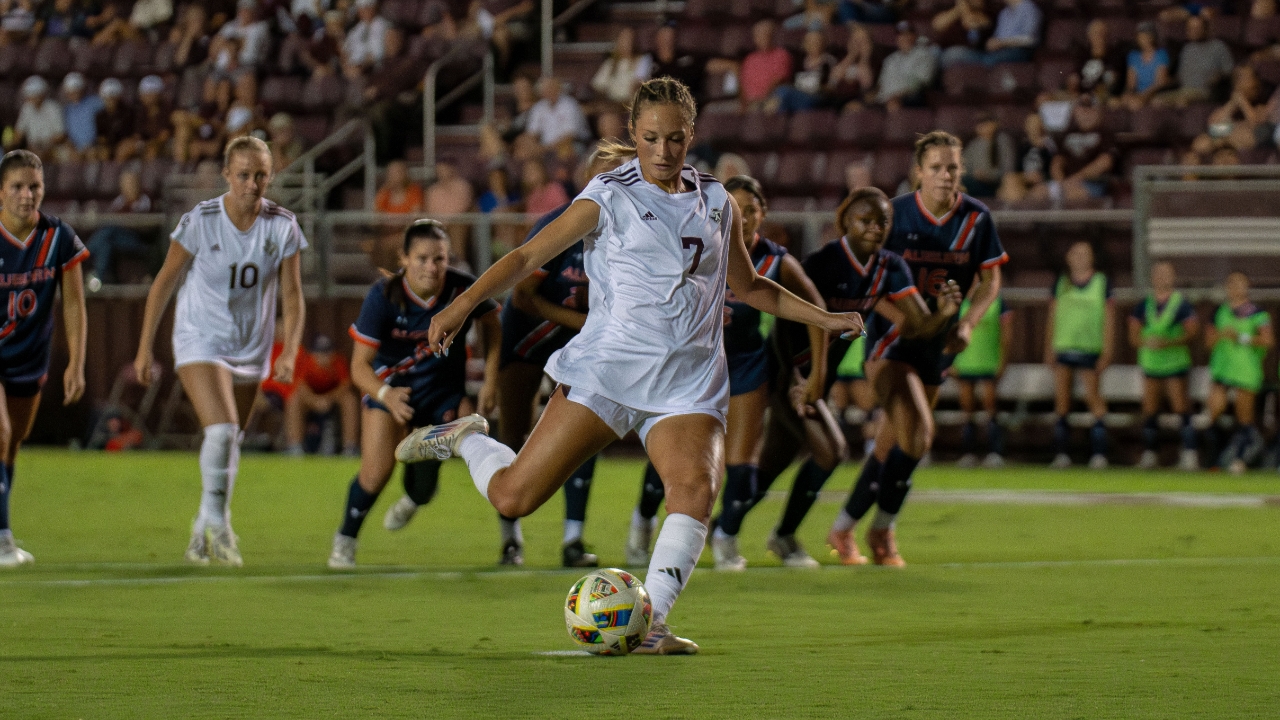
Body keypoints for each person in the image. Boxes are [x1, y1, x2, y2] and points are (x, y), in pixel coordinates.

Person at [394, 78, 862, 654]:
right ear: (633, 136)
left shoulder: (718, 202)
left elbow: (751, 286)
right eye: (649, 138)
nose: (663, 151)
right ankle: (467, 439)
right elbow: (526, 255)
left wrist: (825, 318)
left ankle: (650, 626)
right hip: (609, 371)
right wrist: (462, 304)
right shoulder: (608, 194)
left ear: (691, 135)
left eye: (674, 139)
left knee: (693, 489)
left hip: (688, 382)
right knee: (514, 498)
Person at [720, 186, 962, 570]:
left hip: (817, 378)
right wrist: (806, 379)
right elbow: (795, 321)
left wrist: (944, 314)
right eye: (865, 219)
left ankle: (724, 528)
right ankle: (776, 537)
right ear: (845, 222)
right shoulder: (824, 262)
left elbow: (915, 327)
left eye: (883, 220)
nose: (875, 227)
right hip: (788, 375)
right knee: (831, 449)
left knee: (770, 467)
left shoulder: (889, 267)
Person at [626, 175, 834, 571]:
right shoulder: (695, 246)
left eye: (751, 209)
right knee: (674, 459)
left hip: (745, 364)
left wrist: (817, 374)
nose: (742, 217)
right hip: (692, 364)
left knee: (743, 462)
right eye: (734, 208)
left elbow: (815, 311)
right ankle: (642, 522)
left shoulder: (776, 260)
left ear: (763, 214)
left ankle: (726, 538)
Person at [828, 131, 1006, 567]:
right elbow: (866, 279)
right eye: (937, 168)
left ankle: (846, 527)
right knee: (920, 435)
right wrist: (909, 320)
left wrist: (965, 322)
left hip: (937, 347)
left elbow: (990, 280)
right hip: (892, 343)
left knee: (894, 445)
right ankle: (882, 532)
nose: (946, 175)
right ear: (918, 173)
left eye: (953, 168)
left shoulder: (977, 220)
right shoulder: (894, 216)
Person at [134, 136, 307, 567]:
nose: (252, 184)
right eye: (244, 175)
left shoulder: (282, 224)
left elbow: (293, 293)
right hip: (199, 335)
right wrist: (144, 348)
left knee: (231, 438)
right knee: (222, 429)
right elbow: (164, 281)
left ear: (271, 176)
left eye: (261, 175)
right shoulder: (202, 220)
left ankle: (203, 526)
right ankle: (220, 523)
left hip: (252, 343)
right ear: (227, 175)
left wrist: (290, 352)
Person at [330, 219, 500, 568]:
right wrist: (385, 394)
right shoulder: (383, 296)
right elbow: (358, 367)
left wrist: (491, 380)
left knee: (424, 489)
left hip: (443, 397)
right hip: (393, 393)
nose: (431, 267)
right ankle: (345, 539)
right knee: (375, 473)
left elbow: (493, 327)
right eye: (421, 258)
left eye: (439, 258)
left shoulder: (461, 289)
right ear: (403, 258)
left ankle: (412, 499)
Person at [487, 147, 622, 568]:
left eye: (619, 176)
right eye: (602, 175)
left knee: (582, 436)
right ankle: (510, 537)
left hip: (583, 342)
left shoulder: (636, 229)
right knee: (513, 434)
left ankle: (573, 540)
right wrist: (580, 320)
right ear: (585, 180)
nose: (610, 185)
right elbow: (522, 295)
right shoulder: (561, 223)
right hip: (530, 335)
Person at [0, 150, 88, 567]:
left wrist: (76, 362)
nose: (26, 194)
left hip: (30, 357)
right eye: (17, 186)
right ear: (1, 192)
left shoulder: (59, 238)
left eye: (34, 186)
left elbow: (73, 305)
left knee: (12, 446)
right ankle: (1, 539)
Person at [1045, 241, 1113, 470]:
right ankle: (1062, 453)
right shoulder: (1062, 283)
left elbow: (1110, 319)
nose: (1080, 257)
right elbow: (1052, 316)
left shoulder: (1101, 283)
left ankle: (1099, 454)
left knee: (1093, 399)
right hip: (1064, 346)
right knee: (1062, 403)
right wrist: (1049, 348)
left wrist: (1107, 349)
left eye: (1085, 253)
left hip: (1089, 348)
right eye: (1076, 253)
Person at [1129, 262, 1199, 471]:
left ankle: (1189, 452)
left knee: (1180, 406)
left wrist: (1168, 342)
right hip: (1151, 363)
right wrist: (1146, 342)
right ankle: (1150, 453)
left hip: (1175, 362)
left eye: (1166, 274)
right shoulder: (1144, 305)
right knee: (1149, 408)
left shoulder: (1181, 304)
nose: (1162, 278)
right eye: (1158, 274)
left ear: (1173, 277)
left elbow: (1192, 331)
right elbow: (1133, 334)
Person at [1203, 272, 1273, 475]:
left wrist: (1242, 338)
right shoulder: (1218, 312)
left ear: (1247, 286)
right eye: (1231, 283)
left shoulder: (1258, 314)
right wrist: (1220, 334)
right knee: (1214, 411)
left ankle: (1240, 460)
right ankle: (1213, 461)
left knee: (1244, 417)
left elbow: (1267, 341)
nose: (1234, 288)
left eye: (1239, 283)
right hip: (1223, 368)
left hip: (1246, 370)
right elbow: (1208, 342)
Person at [952, 293, 1011, 468]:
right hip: (965, 362)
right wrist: (951, 361)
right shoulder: (960, 303)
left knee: (990, 406)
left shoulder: (997, 302)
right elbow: (950, 332)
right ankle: (968, 452)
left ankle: (995, 451)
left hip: (988, 362)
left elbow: (1007, 334)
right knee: (967, 408)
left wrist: (1002, 360)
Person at [284, 334, 360, 457]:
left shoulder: (338, 361)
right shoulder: (306, 361)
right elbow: (300, 386)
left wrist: (327, 399)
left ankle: (350, 447)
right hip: (311, 397)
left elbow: (345, 385)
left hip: (332, 398)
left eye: (327, 353)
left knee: (350, 399)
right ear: (313, 354)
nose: (324, 357)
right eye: (320, 353)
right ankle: (295, 446)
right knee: (294, 399)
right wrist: (315, 400)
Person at [940, 0, 1040, 67]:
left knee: (988, 61)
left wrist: (1002, 43)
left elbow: (1030, 39)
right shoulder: (1004, 13)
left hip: (1018, 51)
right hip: (996, 52)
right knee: (952, 54)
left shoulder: (1029, 8)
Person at [591, 26, 651, 106]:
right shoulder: (610, 63)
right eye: (624, 39)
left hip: (631, 104)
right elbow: (598, 86)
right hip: (611, 104)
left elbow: (638, 84)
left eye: (630, 39)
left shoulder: (643, 60)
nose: (627, 43)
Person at [1121, 22, 1170, 111]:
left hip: (1154, 93)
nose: (1142, 39)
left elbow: (1160, 83)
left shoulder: (1161, 55)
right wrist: (1129, 94)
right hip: (1137, 94)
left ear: (1152, 37)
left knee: (1155, 102)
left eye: (1146, 36)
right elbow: (1131, 84)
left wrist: (1144, 96)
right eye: (1140, 36)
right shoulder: (1133, 56)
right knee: (1120, 102)